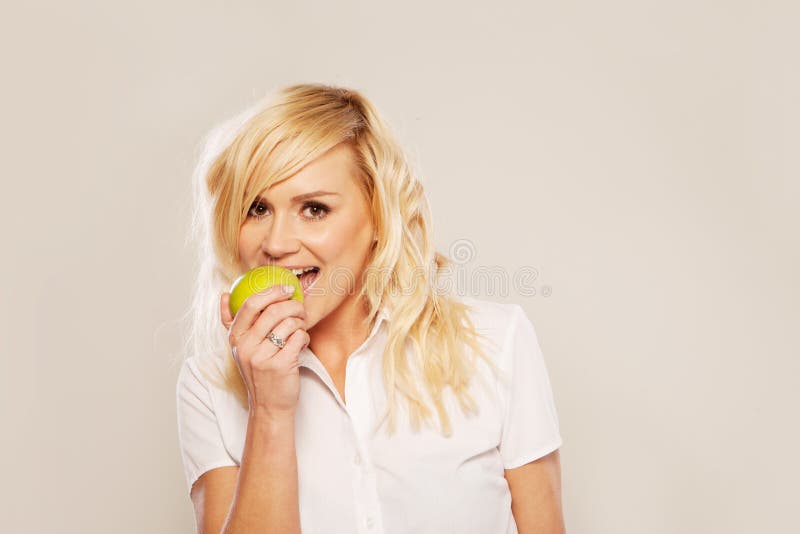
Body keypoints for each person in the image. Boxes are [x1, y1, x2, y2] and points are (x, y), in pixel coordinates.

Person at [176, 83, 565, 533]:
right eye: (257, 208)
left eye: (314, 209)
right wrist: (270, 411)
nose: (276, 244)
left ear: (379, 217)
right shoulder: (208, 386)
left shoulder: (497, 342)